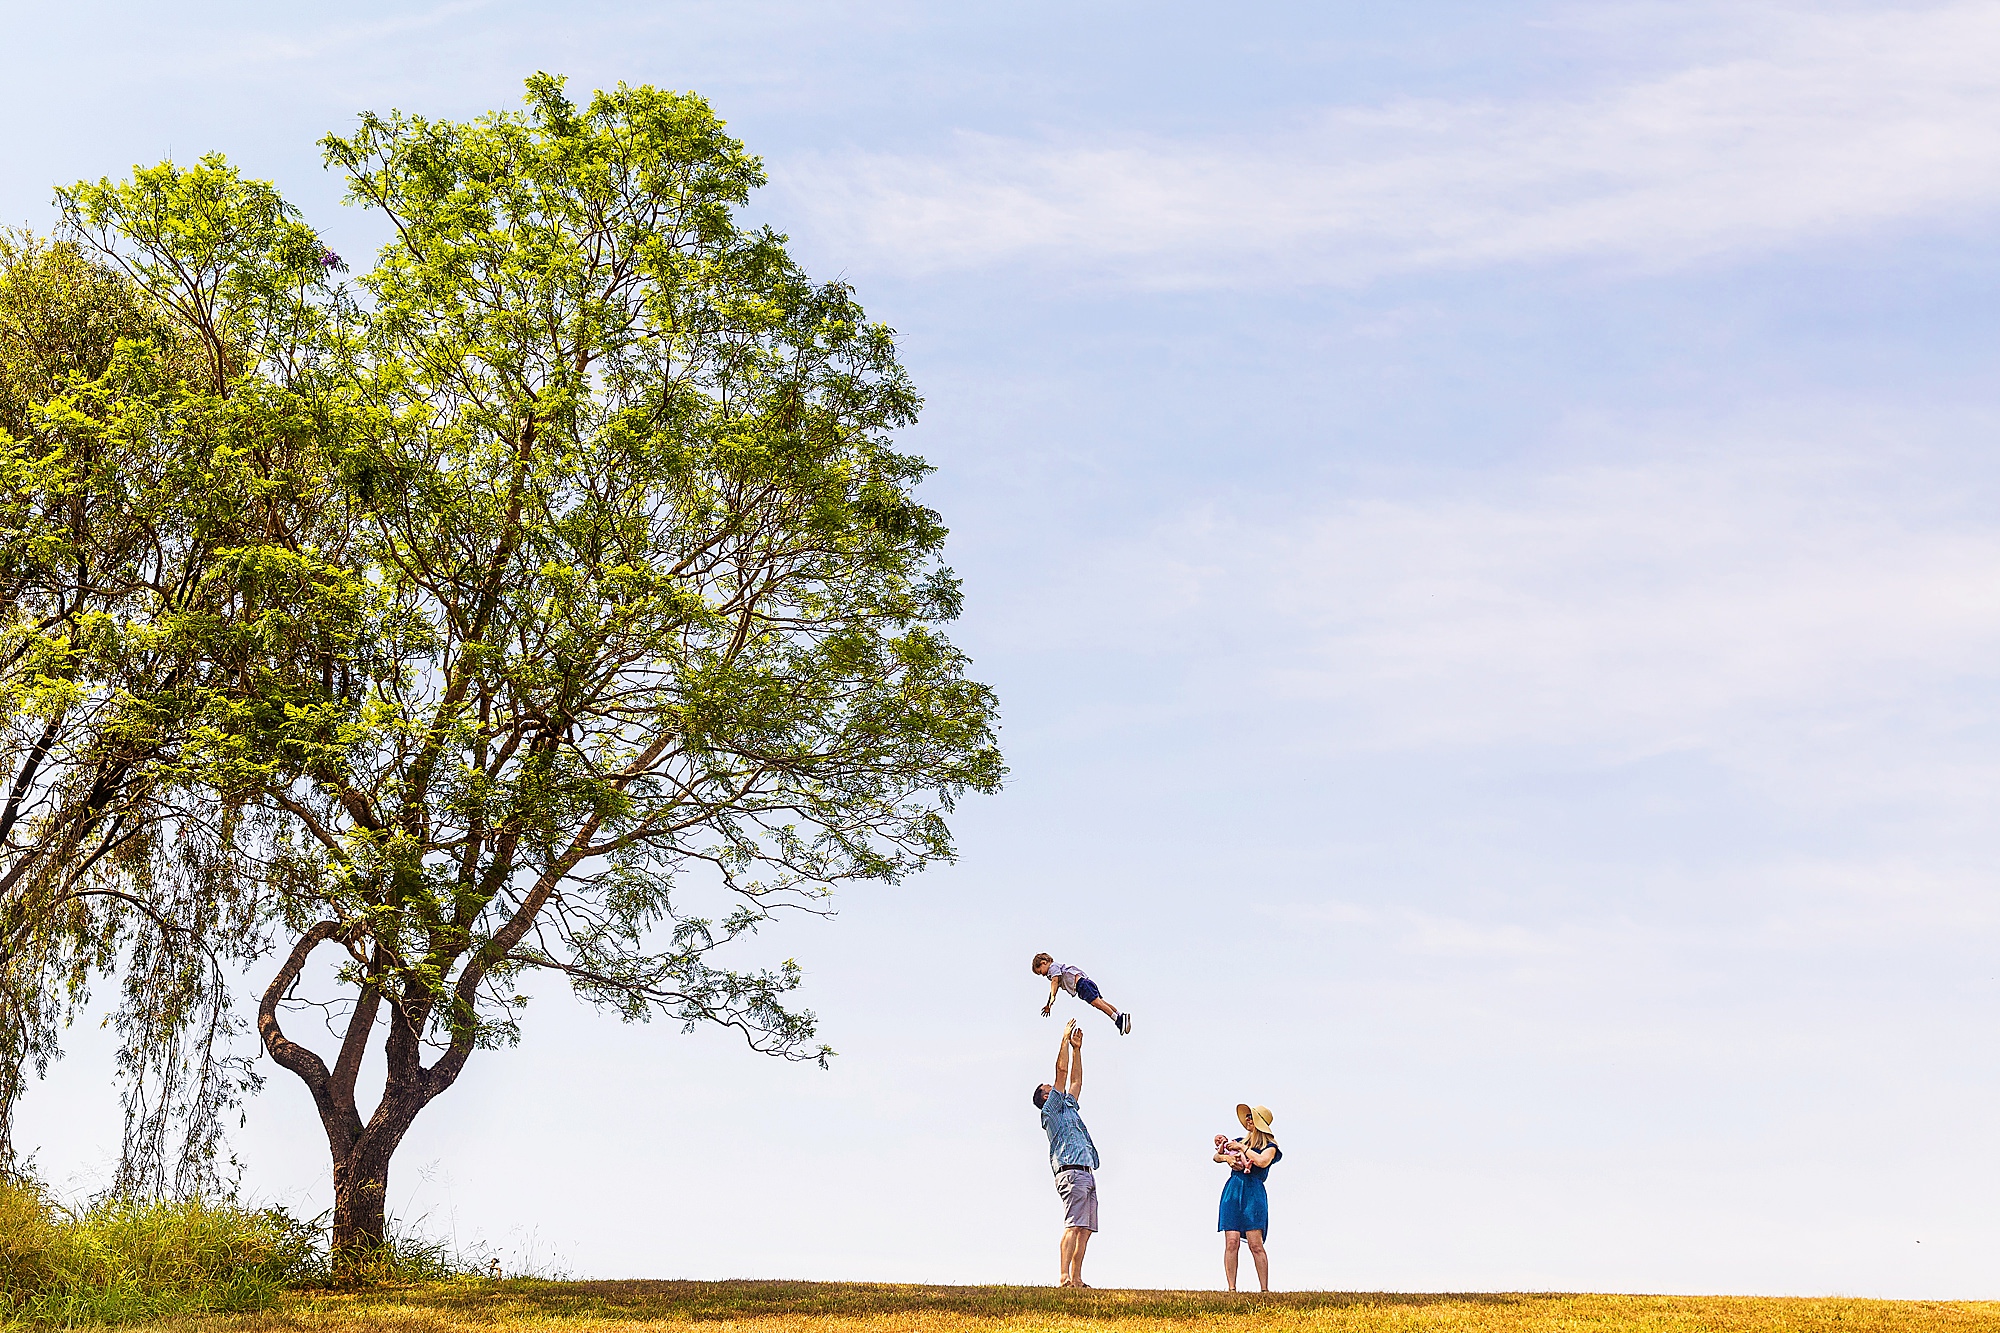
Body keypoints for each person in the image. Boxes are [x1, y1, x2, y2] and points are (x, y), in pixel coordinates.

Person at [1034, 1020, 1101, 1286]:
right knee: (1073, 1225)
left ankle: (1077, 1279)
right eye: (1049, 1089)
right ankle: (1064, 1277)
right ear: (1045, 1097)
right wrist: (1063, 1040)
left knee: (1085, 1229)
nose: (1054, 1089)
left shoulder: (1069, 1106)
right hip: (1070, 1172)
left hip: (1086, 1171)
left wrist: (1077, 1049)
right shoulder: (1050, 1111)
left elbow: (1076, 1080)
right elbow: (1062, 1073)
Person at [1213, 1102, 1281, 1293]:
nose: (1248, 1120)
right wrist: (1227, 1158)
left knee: (1255, 1243)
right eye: (1248, 1117)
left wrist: (1242, 1148)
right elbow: (1216, 1156)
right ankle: (1231, 1288)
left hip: (1253, 1192)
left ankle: (1264, 1290)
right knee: (1231, 1241)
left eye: (1252, 1117)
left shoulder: (1270, 1147)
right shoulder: (1238, 1141)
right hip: (1234, 1190)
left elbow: (1262, 1161)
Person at [1032, 952, 1133, 1034]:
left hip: (1081, 985)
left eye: (1040, 971)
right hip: (1084, 982)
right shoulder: (1056, 971)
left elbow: (1054, 983)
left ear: (1043, 962)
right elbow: (1053, 988)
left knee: (1097, 1004)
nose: (1043, 975)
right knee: (1102, 1002)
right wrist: (1049, 1004)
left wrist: (1053, 997)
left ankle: (1117, 1019)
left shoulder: (1052, 968)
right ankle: (1120, 1014)